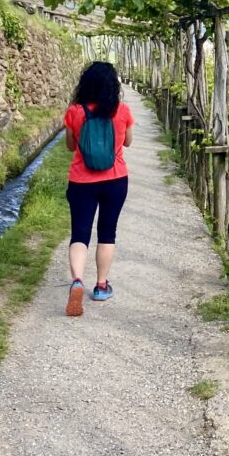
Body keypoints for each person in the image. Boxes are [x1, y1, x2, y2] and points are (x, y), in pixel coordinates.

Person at [62, 61, 134, 317]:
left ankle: (78, 281)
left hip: (81, 181)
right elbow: (127, 142)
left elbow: (71, 147)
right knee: (107, 233)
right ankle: (101, 286)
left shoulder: (74, 112)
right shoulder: (122, 110)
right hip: (115, 180)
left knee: (79, 234)